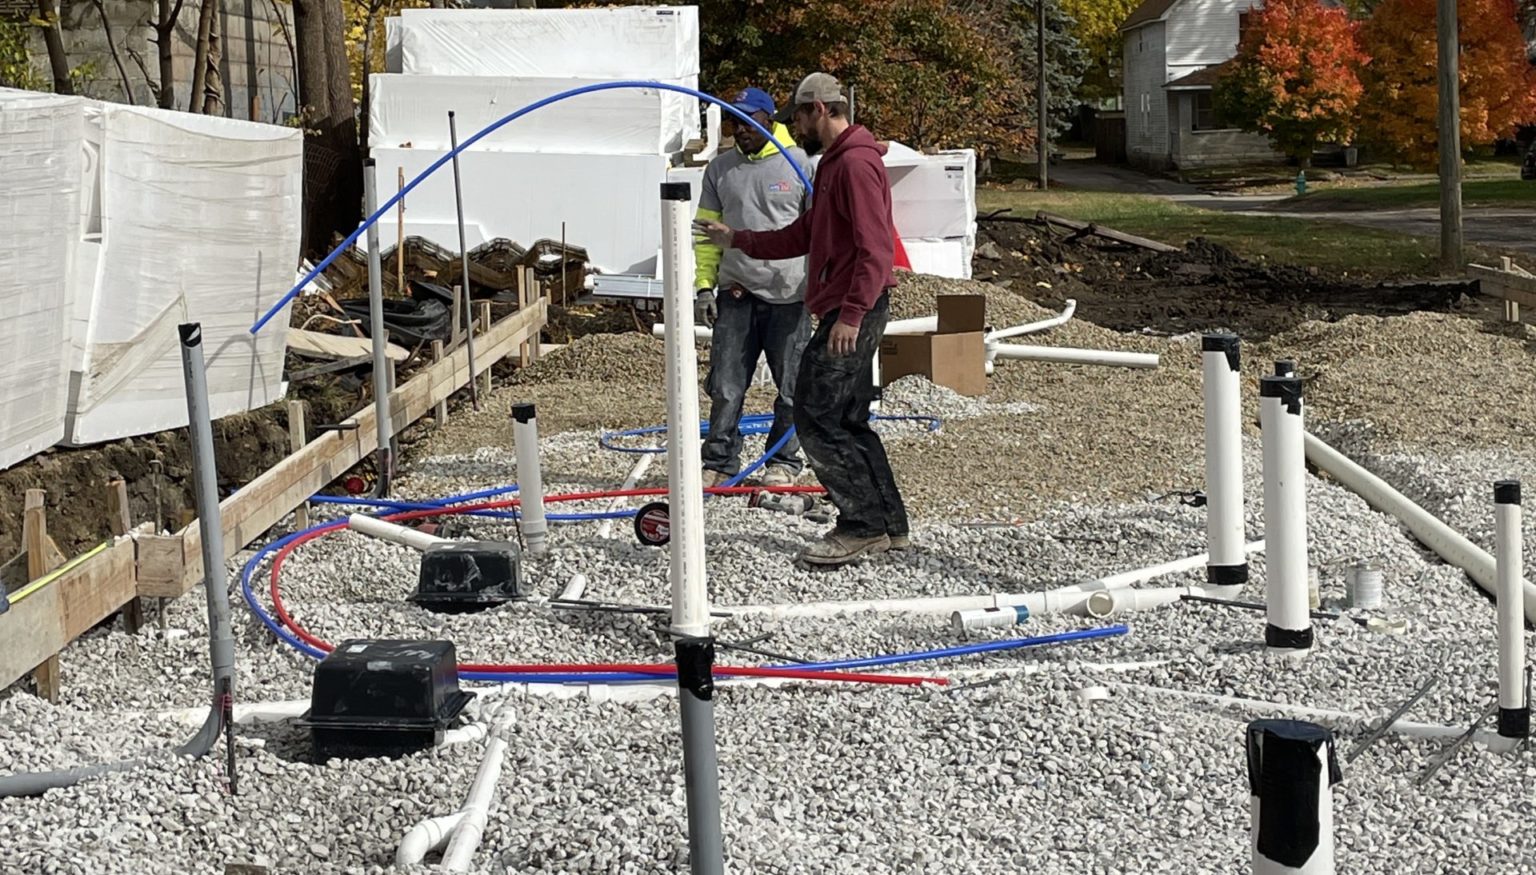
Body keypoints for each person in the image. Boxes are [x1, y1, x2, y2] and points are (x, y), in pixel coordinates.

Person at [695, 72, 909, 566]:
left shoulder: (853, 165)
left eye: (797, 118)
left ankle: (860, 525)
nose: (794, 129)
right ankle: (889, 523)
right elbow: (803, 235)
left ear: (818, 109)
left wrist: (850, 316)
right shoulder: (835, 163)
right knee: (849, 418)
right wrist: (739, 240)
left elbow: (876, 251)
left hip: (854, 307)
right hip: (850, 304)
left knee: (818, 413)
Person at [694, 87, 812, 490]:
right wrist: (705, 287)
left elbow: (818, 233)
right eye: (732, 123)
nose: (739, 130)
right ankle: (720, 461)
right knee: (726, 387)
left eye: (747, 122)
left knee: (793, 388)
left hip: (790, 296)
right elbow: (706, 235)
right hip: (737, 293)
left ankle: (782, 462)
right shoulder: (720, 170)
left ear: (769, 118)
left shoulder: (799, 165)